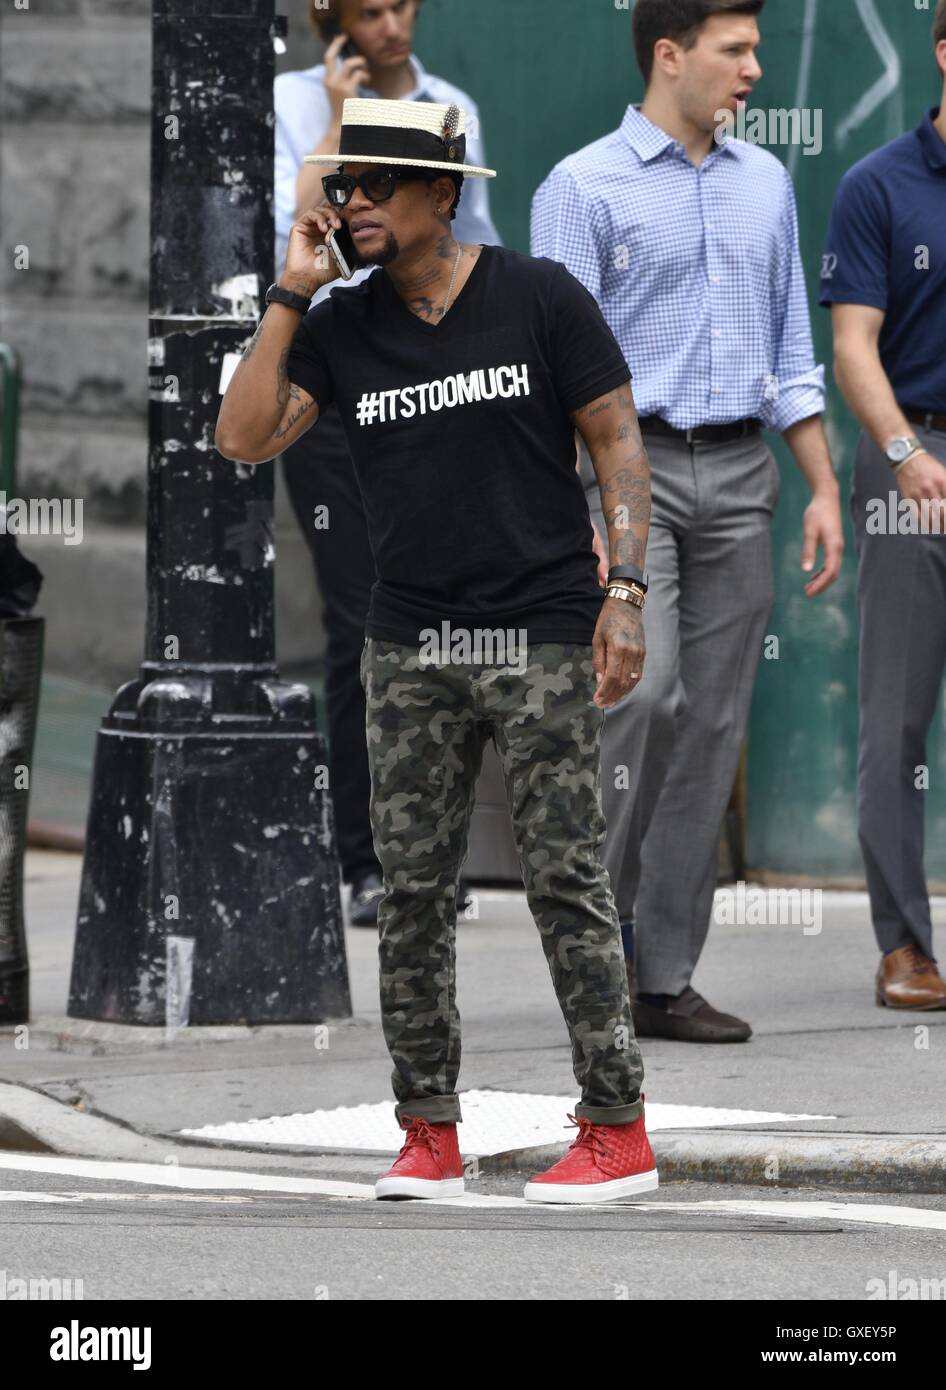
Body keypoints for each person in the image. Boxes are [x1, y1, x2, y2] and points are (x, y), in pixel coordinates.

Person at [216, 98, 658, 1204]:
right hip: (407, 638)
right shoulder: (342, 325)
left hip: (543, 623)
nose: (352, 205)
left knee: (565, 875)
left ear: (442, 195)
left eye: (373, 187)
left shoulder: (537, 297)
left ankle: (616, 1128)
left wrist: (627, 593)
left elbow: (615, 442)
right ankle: (428, 1131)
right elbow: (241, 437)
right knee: (412, 892)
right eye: (342, 189)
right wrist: (291, 288)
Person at [531, 0, 844, 1043]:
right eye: (735, 49)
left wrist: (826, 488)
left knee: (711, 726)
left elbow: (790, 351)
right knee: (643, 694)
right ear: (670, 56)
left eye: (756, 47)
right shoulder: (581, 187)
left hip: (742, 474)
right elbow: (556, 378)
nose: (752, 68)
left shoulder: (766, 183)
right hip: (633, 479)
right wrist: (580, 509)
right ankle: (594, 953)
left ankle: (662, 977)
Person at [275, 0, 499, 926]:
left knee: (445, 602)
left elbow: (474, 234)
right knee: (358, 616)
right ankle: (364, 861)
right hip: (334, 382)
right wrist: (338, 112)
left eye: (403, 5)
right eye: (370, 10)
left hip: (432, 376)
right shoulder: (294, 97)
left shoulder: (452, 105)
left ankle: (436, 852)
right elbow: (305, 218)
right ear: (334, 19)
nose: (392, 24)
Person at [821, 0, 946, 1011]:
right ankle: (905, 947)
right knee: (895, 718)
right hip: (915, 456)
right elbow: (851, 345)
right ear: (943, 52)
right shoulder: (877, 186)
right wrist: (903, 451)